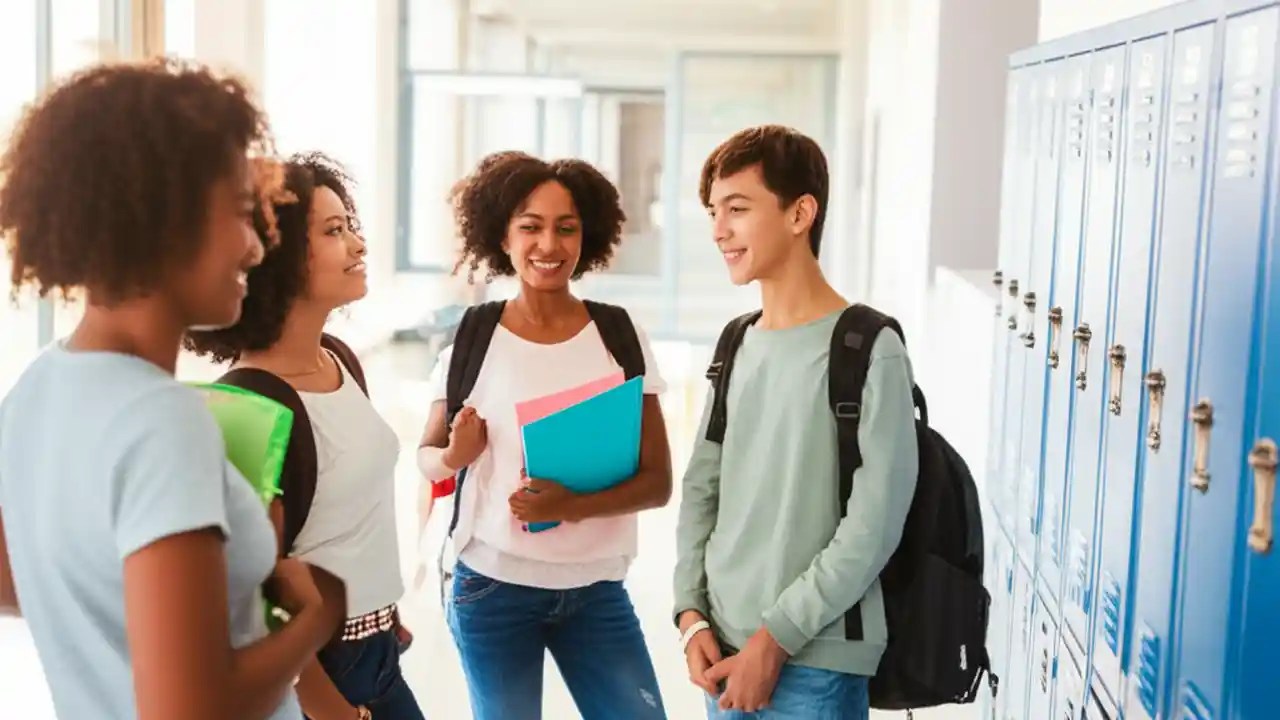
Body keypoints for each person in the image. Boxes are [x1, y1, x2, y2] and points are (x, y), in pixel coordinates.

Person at [0, 60, 347, 720]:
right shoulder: (161, 420)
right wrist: (317, 614)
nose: (254, 248)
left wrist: (205, 584)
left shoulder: (35, 392)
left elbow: (27, 582)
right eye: (243, 215)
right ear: (162, 215)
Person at [672, 125, 919, 719]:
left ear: (799, 213)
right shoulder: (735, 342)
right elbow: (701, 487)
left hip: (817, 659)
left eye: (737, 209)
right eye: (713, 212)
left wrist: (775, 639)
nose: (718, 231)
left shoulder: (869, 346)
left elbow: (874, 524)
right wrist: (690, 614)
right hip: (725, 648)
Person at [416, 151, 672, 720]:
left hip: (597, 591)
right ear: (502, 236)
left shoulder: (619, 335)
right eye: (530, 227)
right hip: (493, 587)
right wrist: (457, 453)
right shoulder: (475, 337)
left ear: (589, 236)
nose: (548, 246)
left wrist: (573, 505)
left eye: (566, 228)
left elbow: (658, 483)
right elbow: (427, 458)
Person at [186, 153, 423, 720]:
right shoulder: (244, 404)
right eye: (334, 231)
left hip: (379, 650)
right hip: (320, 674)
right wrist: (323, 704)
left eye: (351, 226)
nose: (359, 245)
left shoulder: (339, 361)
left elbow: (346, 512)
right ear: (276, 256)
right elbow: (250, 591)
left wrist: (380, 615)